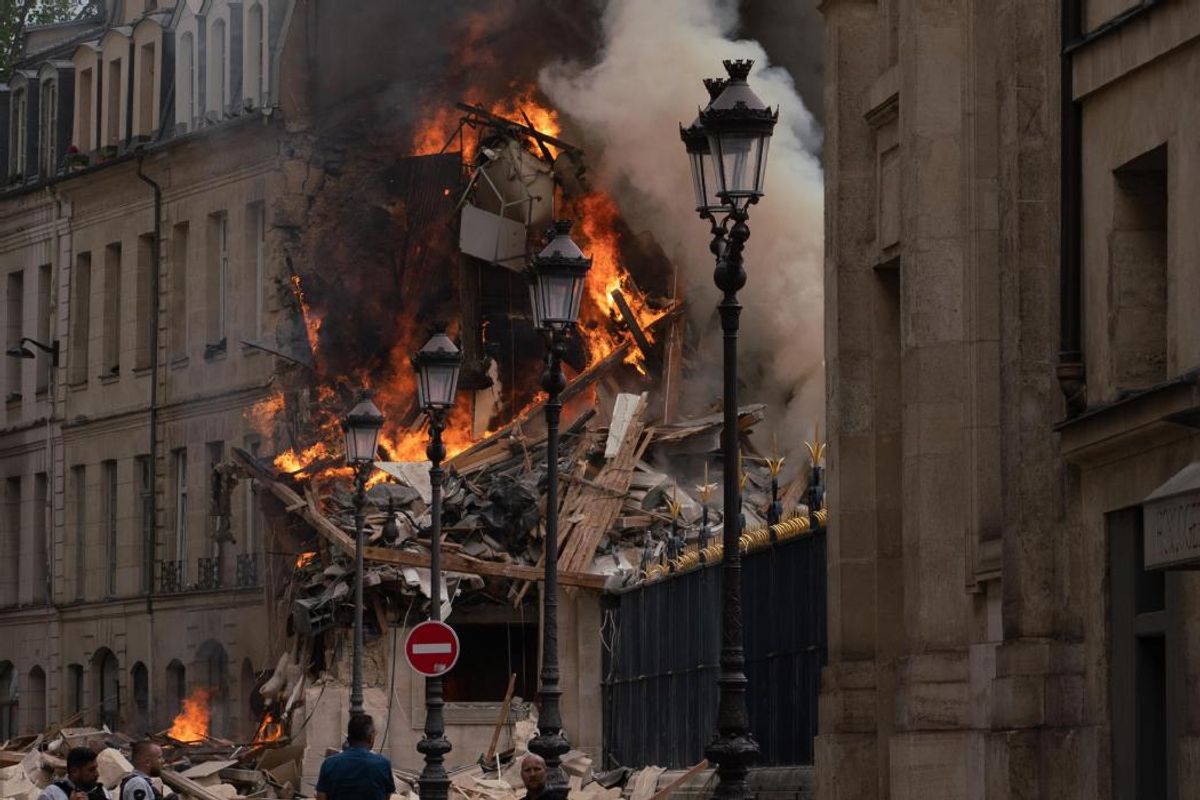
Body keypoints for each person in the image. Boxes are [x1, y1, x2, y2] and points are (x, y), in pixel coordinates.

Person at [314, 714, 396, 800]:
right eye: (374, 733)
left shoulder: (329, 764)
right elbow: (387, 796)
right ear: (370, 736)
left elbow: (321, 797)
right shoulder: (383, 764)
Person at [38, 747, 111, 800]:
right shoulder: (52, 794)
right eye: (91, 770)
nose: (97, 774)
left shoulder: (102, 791)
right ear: (74, 772)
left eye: (96, 768)